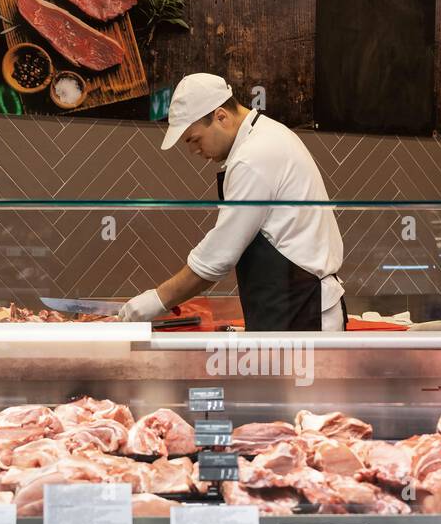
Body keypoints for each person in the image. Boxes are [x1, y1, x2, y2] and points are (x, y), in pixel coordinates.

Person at [117, 73, 346, 331]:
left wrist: (157, 299)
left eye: (194, 139)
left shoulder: (253, 156)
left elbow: (218, 256)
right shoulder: (266, 136)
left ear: (221, 117)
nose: (193, 151)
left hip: (304, 312)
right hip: (292, 306)